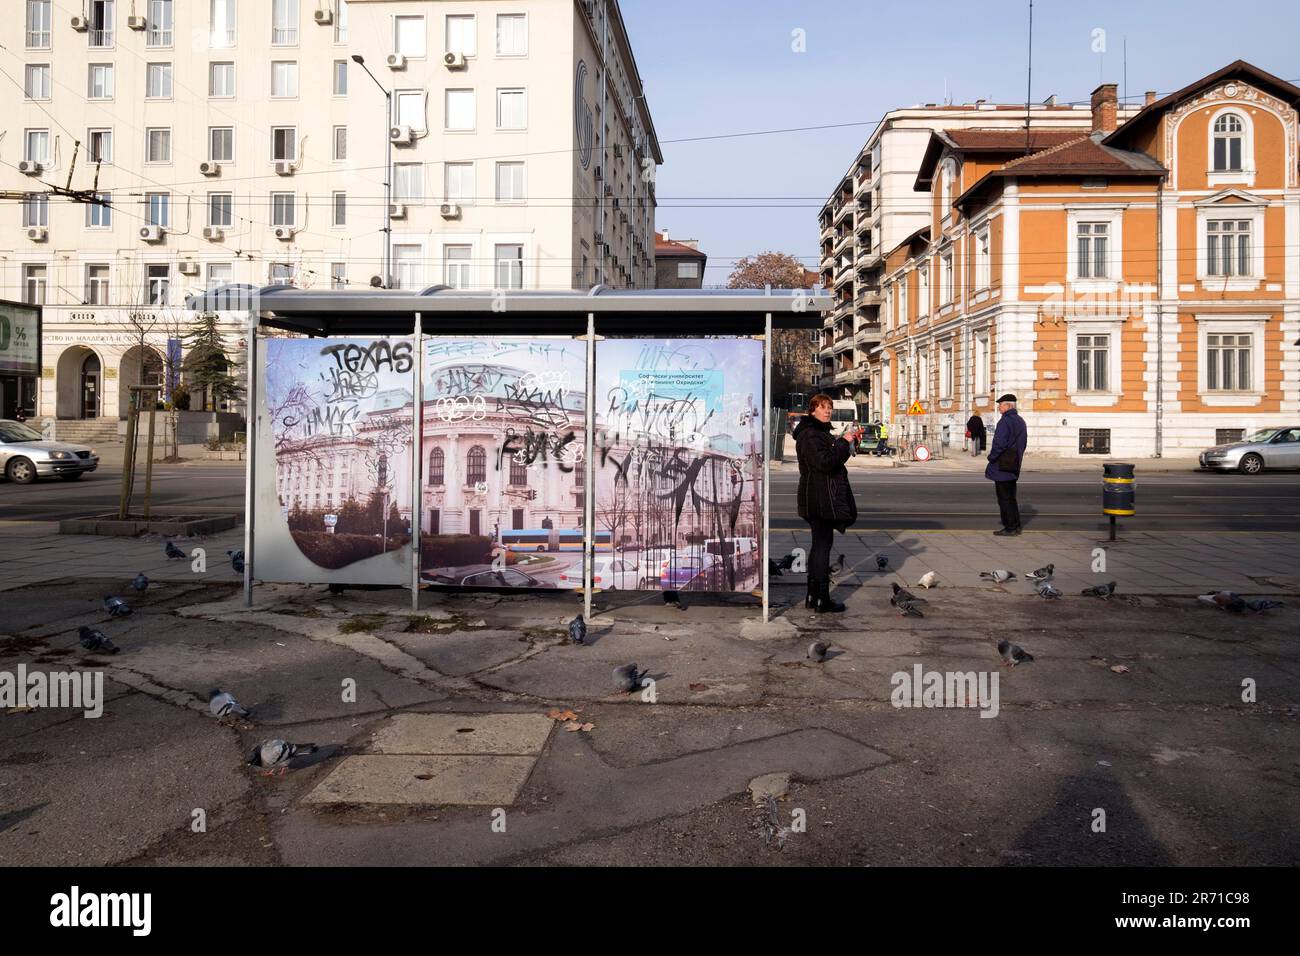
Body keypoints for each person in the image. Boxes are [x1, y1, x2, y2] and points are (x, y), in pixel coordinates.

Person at [794, 394, 861, 613]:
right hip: (820, 499)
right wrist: (844, 442)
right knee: (823, 546)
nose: (828, 411)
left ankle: (813, 596)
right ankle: (822, 598)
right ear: (812, 410)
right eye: (823, 408)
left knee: (818, 546)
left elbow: (831, 457)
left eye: (830, 407)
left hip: (817, 497)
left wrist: (846, 444)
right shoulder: (811, 435)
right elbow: (826, 462)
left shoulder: (816, 433)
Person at [985, 393, 1028, 536]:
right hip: (1014, 462)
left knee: (1004, 498)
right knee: (1011, 497)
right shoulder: (1020, 421)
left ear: (1008, 405)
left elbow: (999, 443)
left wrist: (992, 457)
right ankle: (1015, 526)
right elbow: (1023, 443)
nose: (998, 407)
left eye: (1001, 404)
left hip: (1002, 465)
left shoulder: (1004, 422)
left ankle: (1009, 527)